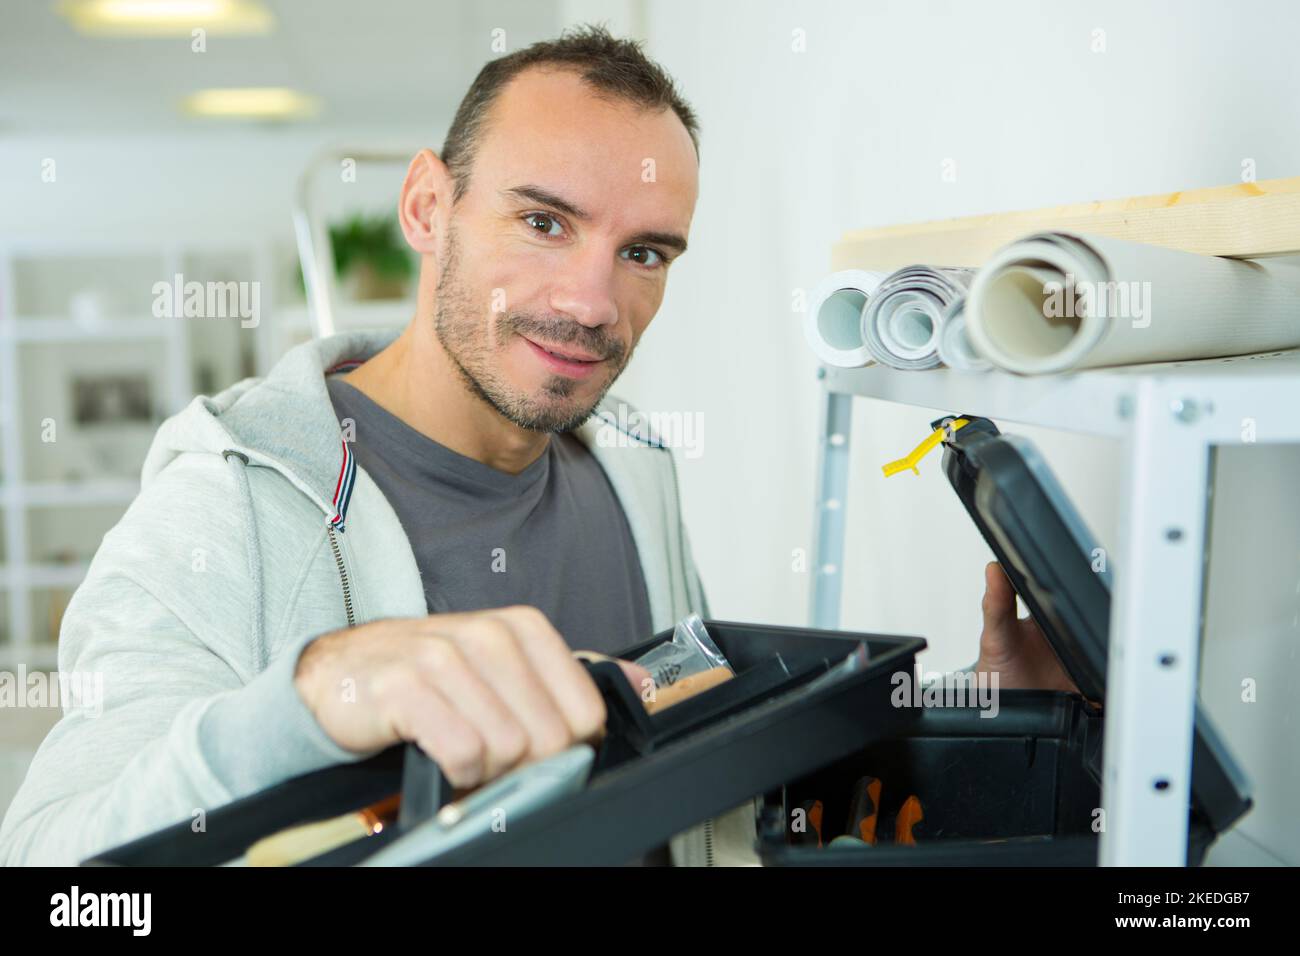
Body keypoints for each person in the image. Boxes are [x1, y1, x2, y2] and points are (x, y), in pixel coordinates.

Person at [0, 26, 1074, 867]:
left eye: (644, 250)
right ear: (428, 206)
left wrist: (990, 724)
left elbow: (687, 776)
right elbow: (58, 851)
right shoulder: (225, 505)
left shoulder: (631, 465)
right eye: (544, 222)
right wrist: (316, 691)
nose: (591, 302)